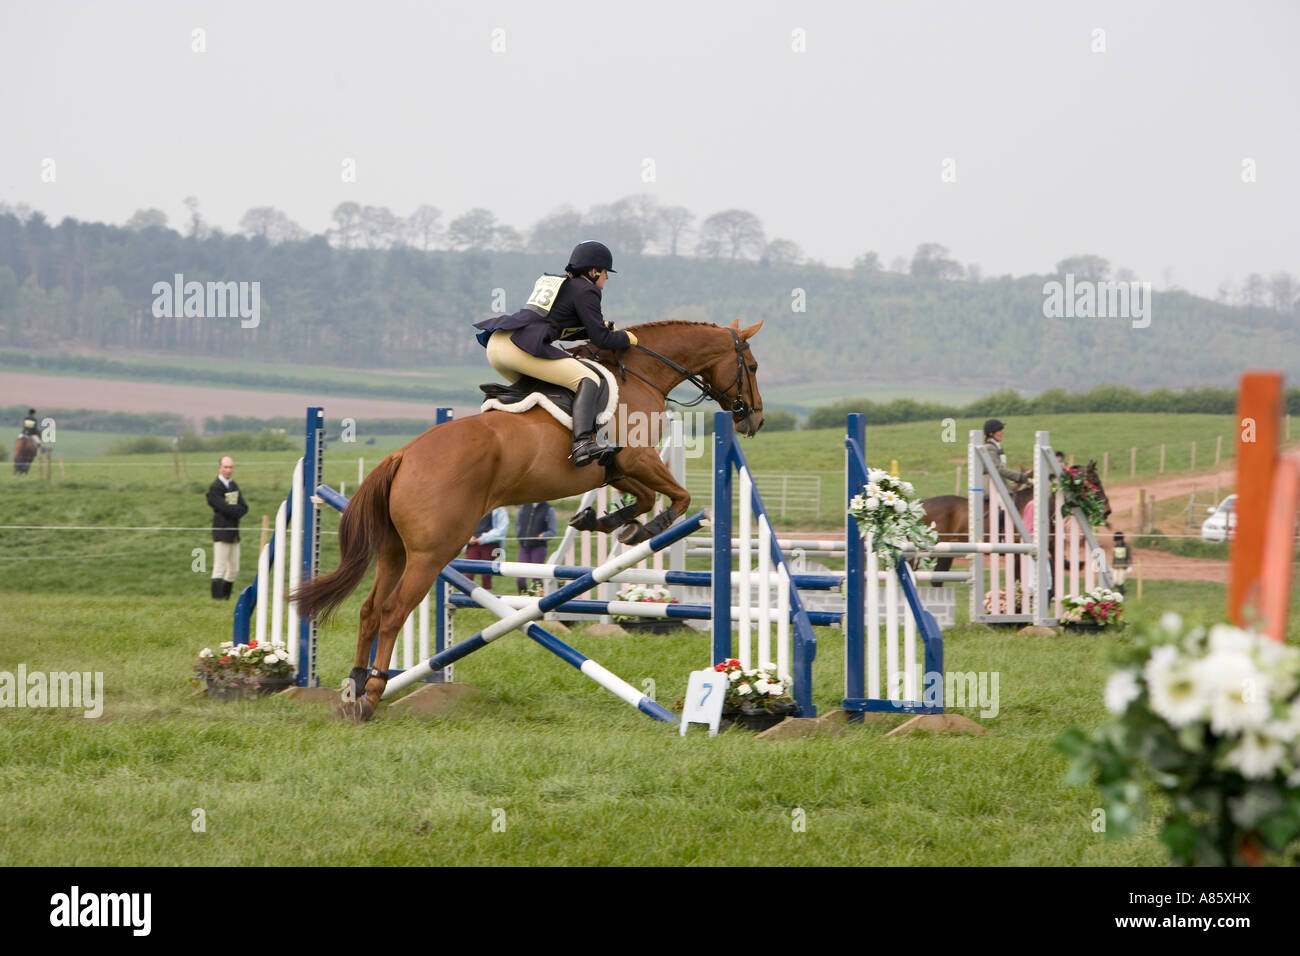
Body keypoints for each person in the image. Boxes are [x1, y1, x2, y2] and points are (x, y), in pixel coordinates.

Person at [473, 240, 638, 466]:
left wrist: (598, 326)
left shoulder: (562, 284)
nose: (606, 278)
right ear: (593, 271)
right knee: (588, 379)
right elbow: (601, 339)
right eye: (605, 272)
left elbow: (560, 327)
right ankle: (582, 443)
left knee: (557, 388)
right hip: (519, 348)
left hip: (498, 345)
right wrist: (626, 338)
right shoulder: (587, 290)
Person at [206, 456, 248, 600]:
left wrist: (233, 509)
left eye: (230, 467)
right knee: (220, 566)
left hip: (234, 533)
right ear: (220, 468)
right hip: (221, 532)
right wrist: (234, 510)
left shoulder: (233, 485)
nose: (228, 470)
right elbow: (222, 507)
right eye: (225, 467)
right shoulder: (215, 487)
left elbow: (244, 507)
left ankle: (225, 598)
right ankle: (216, 600)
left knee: (234, 569)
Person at [514, 500, 557, 594]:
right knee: (519, 578)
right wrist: (519, 535)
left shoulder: (549, 509)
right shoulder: (524, 506)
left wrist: (544, 536)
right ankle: (522, 599)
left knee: (536, 578)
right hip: (524, 547)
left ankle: (537, 601)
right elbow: (518, 524)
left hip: (539, 548)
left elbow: (553, 531)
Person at [465, 506, 509, 588]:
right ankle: (464, 599)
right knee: (468, 574)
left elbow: (502, 528)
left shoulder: (499, 509)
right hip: (472, 545)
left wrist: (483, 539)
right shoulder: (473, 506)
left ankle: (486, 599)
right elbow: (465, 524)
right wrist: (468, 537)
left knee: (486, 576)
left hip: (490, 545)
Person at [981, 419, 1030, 487]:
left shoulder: (995, 446)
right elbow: (998, 469)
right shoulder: (989, 448)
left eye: (1002, 430)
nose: (1002, 432)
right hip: (991, 487)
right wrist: (1020, 477)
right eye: (999, 430)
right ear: (991, 433)